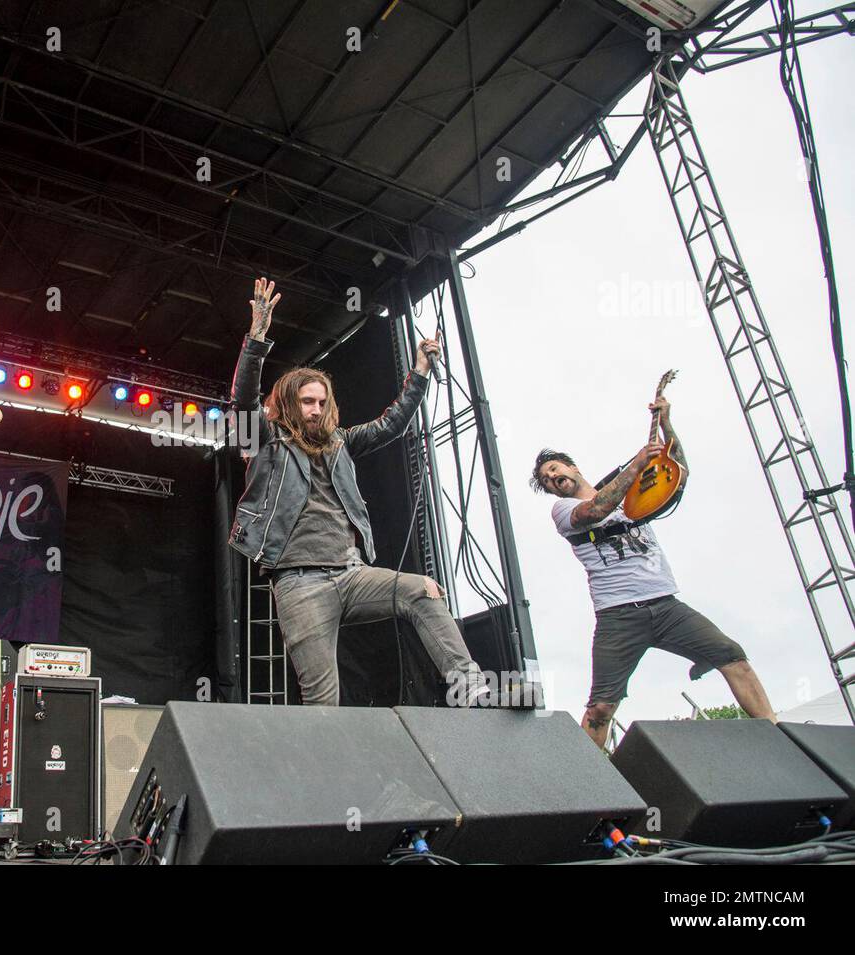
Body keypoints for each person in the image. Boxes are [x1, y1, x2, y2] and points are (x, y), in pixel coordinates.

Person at [229, 277, 484, 707]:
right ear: (291, 405)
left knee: (422, 589)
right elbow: (243, 400)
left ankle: (471, 688)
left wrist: (420, 371)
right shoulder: (265, 442)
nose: (316, 409)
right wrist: (257, 335)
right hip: (300, 582)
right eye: (307, 402)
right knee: (323, 701)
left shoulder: (341, 442)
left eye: (321, 402)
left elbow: (391, 425)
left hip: (352, 574)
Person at [531, 395, 776, 748]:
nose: (553, 477)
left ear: (573, 467)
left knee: (732, 655)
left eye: (555, 469)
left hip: (665, 605)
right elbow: (597, 510)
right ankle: (587, 789)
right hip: (618, 615)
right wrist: (634, 467)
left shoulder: (633, 496)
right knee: (601, 707)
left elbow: (678, 474)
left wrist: (666, 424)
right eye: (546, 478)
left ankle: (778, 734)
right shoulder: (563, 510)